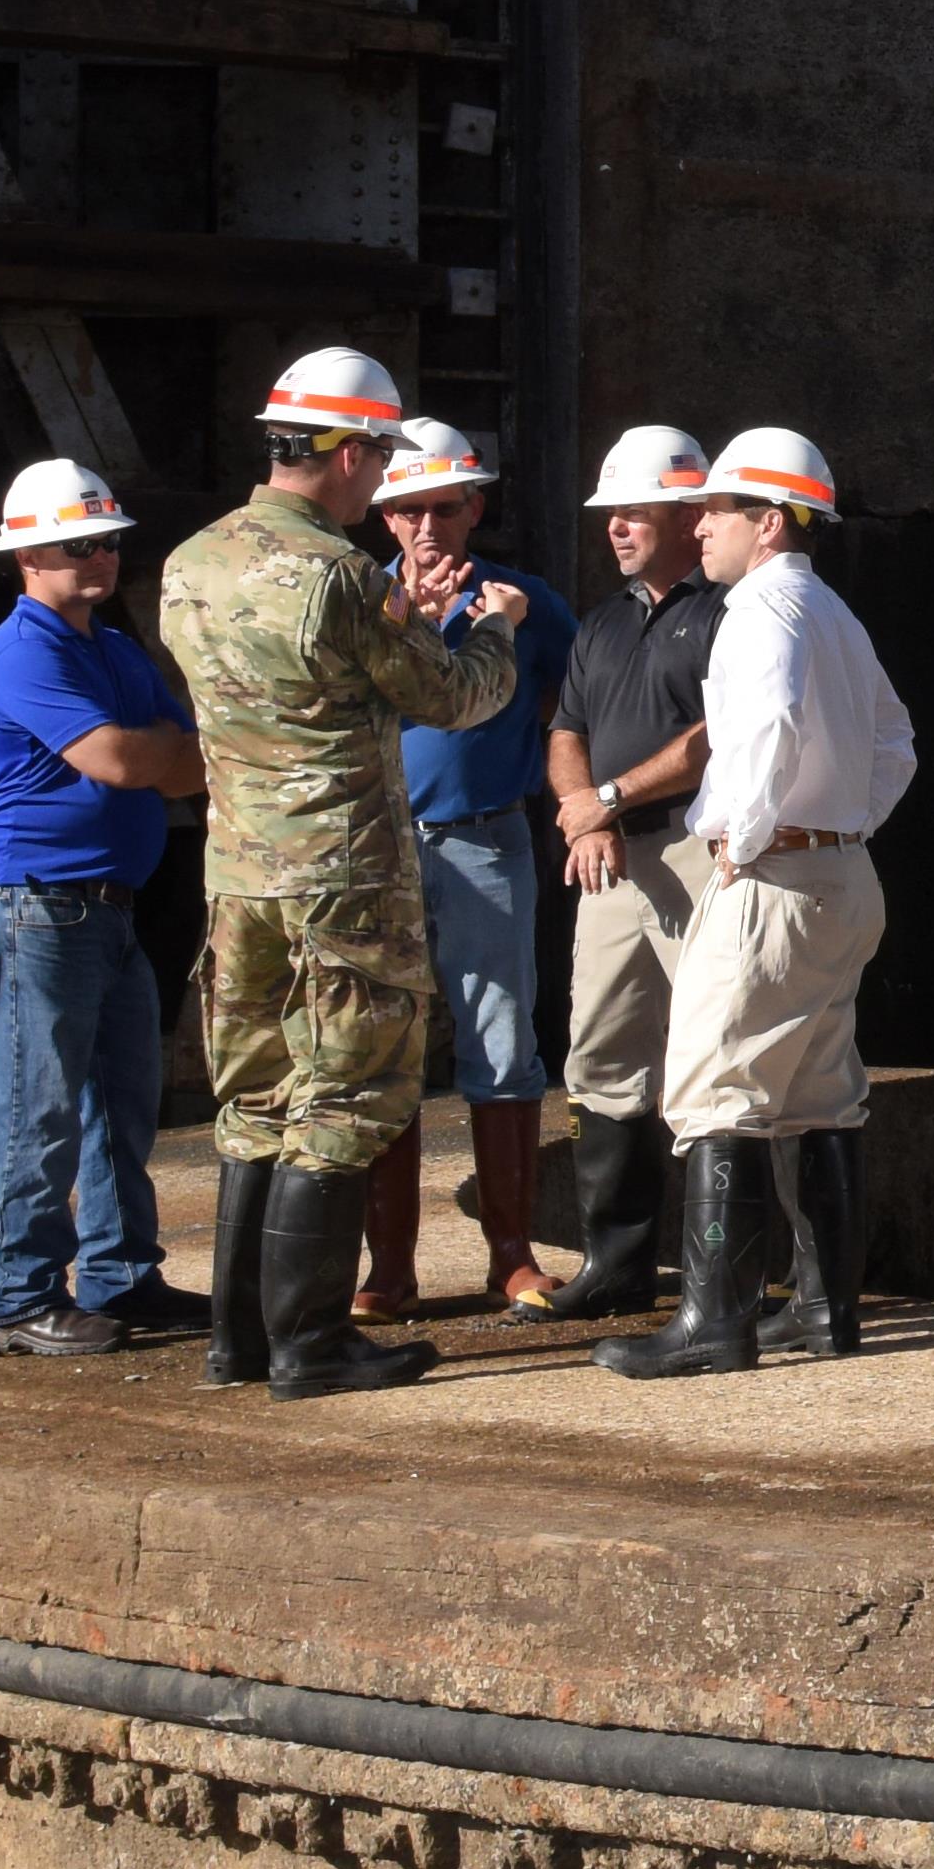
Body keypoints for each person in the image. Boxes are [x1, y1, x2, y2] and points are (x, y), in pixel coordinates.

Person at [151, 341, 523, 1403]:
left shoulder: (191, 562)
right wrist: (491, 631)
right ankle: (312, 1343)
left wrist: (394, 617)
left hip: (239, 874)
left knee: (256, 1098)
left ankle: (239, 1343)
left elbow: (289, 684)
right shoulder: (337, 575)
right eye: (379, 458)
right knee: (348, 1092)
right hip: (343, 874)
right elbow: (450, 697)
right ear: (351, 452)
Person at [610, 422, 916, 1378]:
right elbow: (897, 739)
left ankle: (716, 1325)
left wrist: (743, 840)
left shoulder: (761, 611)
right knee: (822, 1092)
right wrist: (848, 822)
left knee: (714, 1091)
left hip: (774, 875)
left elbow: (769, 725)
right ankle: (826, 1315)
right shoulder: (834, 613)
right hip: (840, 873)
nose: (699, 525)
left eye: (720, 509)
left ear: (771, 523)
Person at [0, 457, 201, 1357]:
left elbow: (182, 745)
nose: (96, 558)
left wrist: (166, 750)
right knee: (36, 1111)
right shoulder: (21, 651)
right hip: (33, 910)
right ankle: (18, 1299)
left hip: (105, 910)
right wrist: (163, 751)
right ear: (26, 556)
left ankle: (120, 1278)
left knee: (122, 1106)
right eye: (73, 545)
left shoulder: (113, 646)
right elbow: (132, 762)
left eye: (105, 541)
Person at [372, 416, 557, 1319]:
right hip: (380, 849)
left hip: (488, 839)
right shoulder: (357, 601)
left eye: (445, 506)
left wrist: (569, 793)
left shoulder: (521, 602)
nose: (428, 527)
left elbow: (574, 699)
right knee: (384, 1053)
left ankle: (511, 1255)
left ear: (475, 506)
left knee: (502, 1044)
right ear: (386, 518)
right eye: (409, 510)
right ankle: (391, 1272)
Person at [537, 422, 724, 1315]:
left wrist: (606, 799)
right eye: (610, 514)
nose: (615, 528)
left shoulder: (726, 612)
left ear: (689, 513)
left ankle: (730, 1273)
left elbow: (713, 737)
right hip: (610, 862)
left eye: (634, 512)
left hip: (695, 850)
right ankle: (615, 1269)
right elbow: (566, 727)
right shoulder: (602, 621)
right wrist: (584, 814)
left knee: (718, 1057)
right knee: (602, 1055)